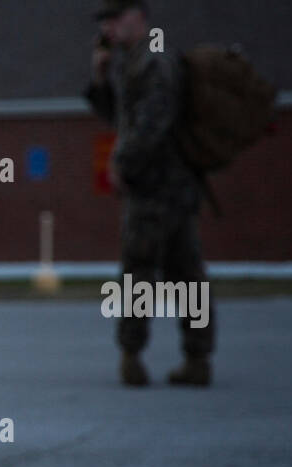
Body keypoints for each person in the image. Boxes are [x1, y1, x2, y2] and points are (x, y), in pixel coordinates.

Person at [86, 0, 215, 387]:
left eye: (115, 18)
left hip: (158, 190)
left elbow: (152, 121)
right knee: (185, 276)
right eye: (105, 22)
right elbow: (123, 119)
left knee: (142, 274)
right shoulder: (134, 62)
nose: (109, 28)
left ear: (138, 17)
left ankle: (135, 357)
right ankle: (194, 358)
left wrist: (122, 163)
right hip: (170, 189)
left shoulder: (154, 59)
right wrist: (100, 80)